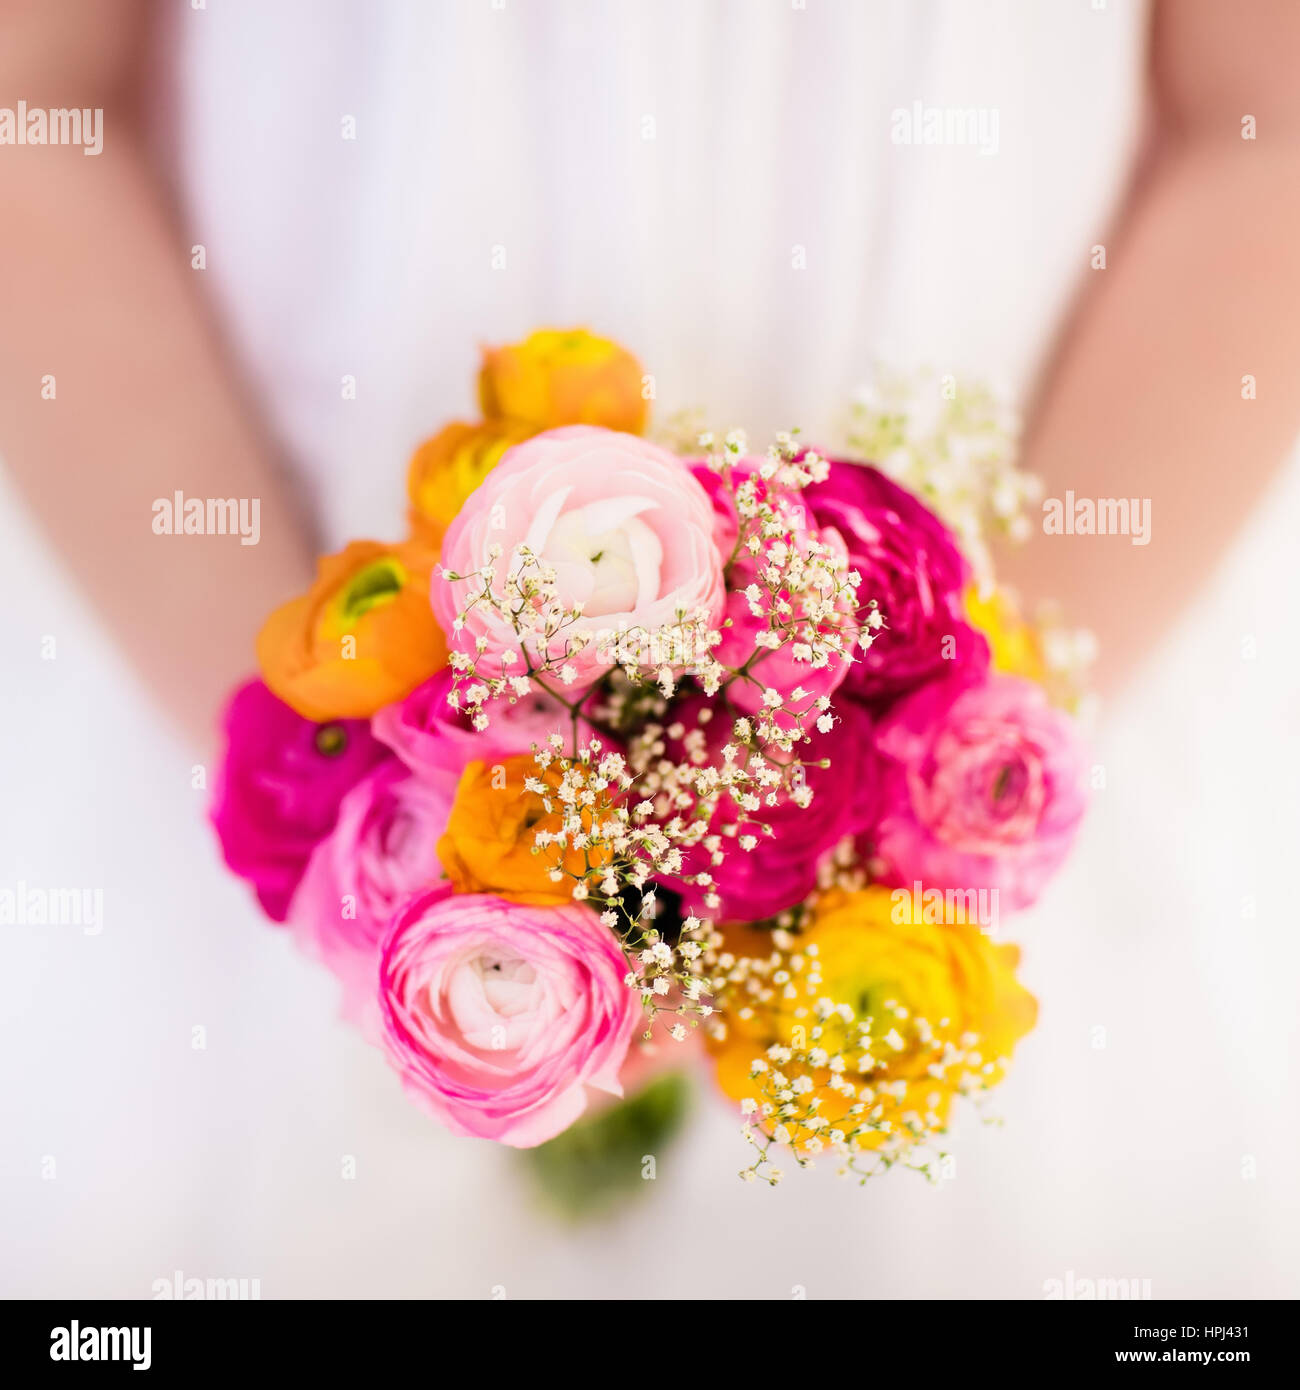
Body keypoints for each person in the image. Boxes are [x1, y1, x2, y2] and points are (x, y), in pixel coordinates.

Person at [2, 0, 1298, 1298]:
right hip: (234, 602)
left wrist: (932, 772)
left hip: (1054, 598)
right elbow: (37, 108)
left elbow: (1261, 127)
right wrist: (350, 782)